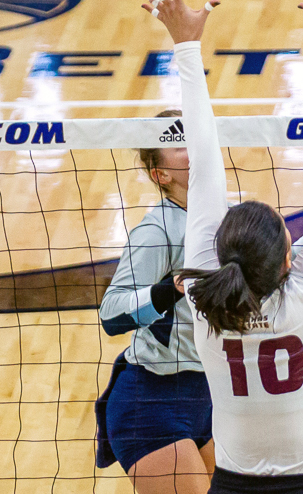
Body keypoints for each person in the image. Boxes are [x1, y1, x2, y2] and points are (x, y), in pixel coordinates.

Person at [139, 0, 303, 494]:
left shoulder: (205, 297)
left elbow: (202, 168)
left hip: (233, 485)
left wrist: (185, 46)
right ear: (290, 258)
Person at [95, 107, 216, 494]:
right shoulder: (158, 231)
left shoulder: (225, 217)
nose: (194, 146)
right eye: (180, 144)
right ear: (161, 175)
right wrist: (169, 289)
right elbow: (111, 314)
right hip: (151, 402)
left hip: (210, 394)